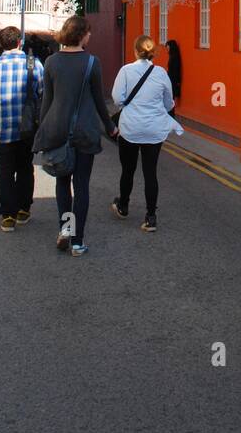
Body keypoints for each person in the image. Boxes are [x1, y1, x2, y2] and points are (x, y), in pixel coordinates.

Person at [33, 15, 117, 257]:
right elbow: (100, 101)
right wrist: (110, 126)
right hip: (86, 132)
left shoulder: (51, 62)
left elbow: (46, 103)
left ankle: (65, 230)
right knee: (81, 187)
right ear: (81, 35)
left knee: (62, 183)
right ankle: (78, 242)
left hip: (58, 130)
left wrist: (42, 132)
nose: (90, 36)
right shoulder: (92, 63)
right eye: (88, 32)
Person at [111, 35, 183, 232]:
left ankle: (123, 205)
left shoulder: (126, 71)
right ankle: (151, 217)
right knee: (150, 172)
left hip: (130, 128)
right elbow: (169, 103)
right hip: (153, 129)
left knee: (128, 169)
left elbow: (117, 98)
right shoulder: (161, 73)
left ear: (136, 51)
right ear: (153, 53)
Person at [0, 27, 44, 232]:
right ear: (19, 43)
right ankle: (24, 209)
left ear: (0, 44)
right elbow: (43, 95)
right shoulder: (35, 64)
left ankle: (7, 215)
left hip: (1, 130)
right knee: (26, 167)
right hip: (28, 129)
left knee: (5, 171)